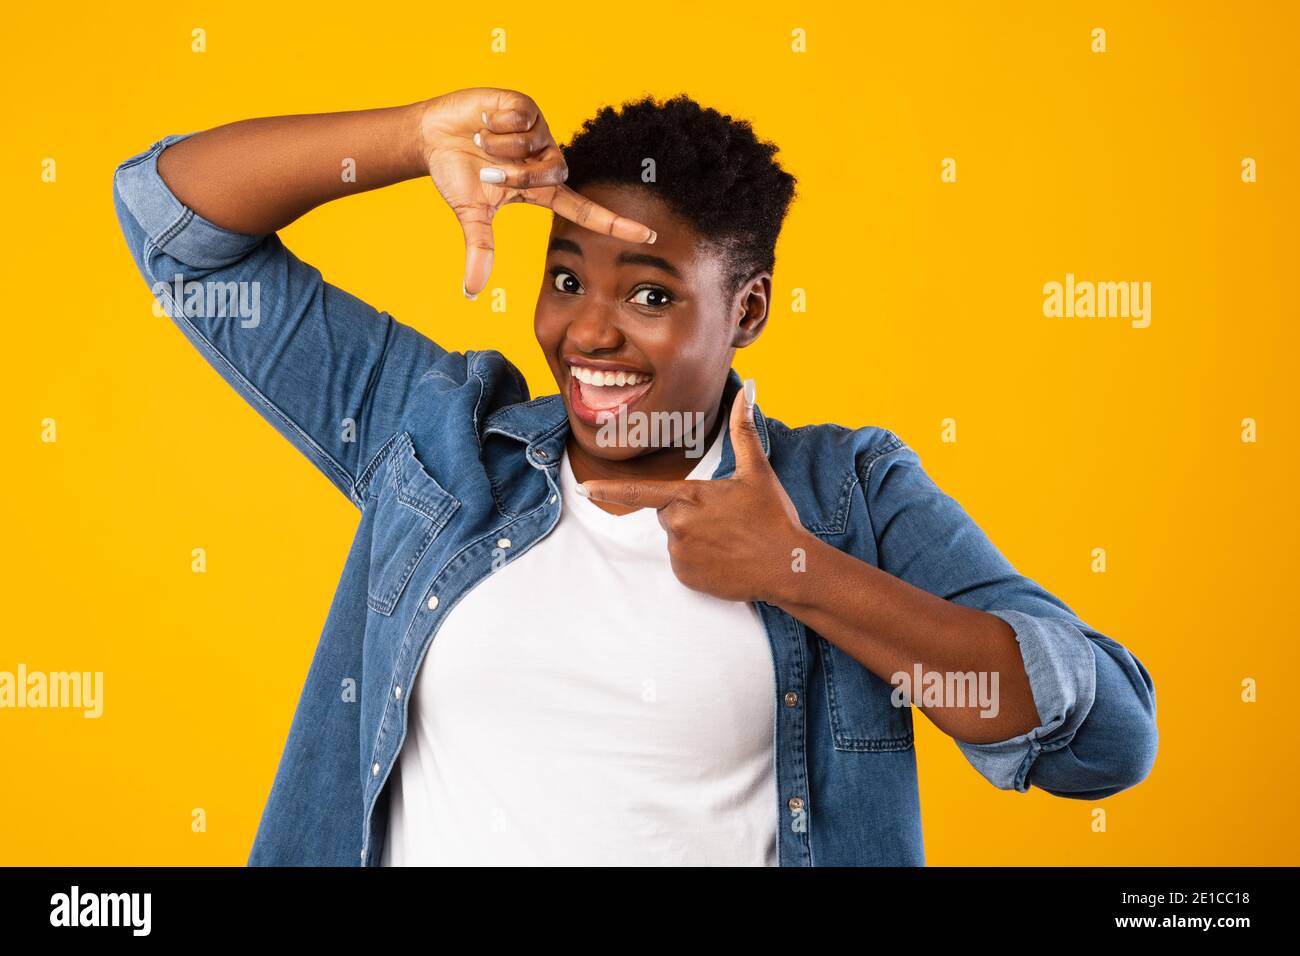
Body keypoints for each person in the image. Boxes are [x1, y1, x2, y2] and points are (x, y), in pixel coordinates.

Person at [111, 87, 1158, 866]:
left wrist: (796, 569)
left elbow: (1105, 737)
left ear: (745, 311)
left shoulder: (847, 494)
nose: (588, 329)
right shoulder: (436, 440)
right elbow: (175, 226)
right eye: (565, 277)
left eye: (650, 294)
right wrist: (409, 137)